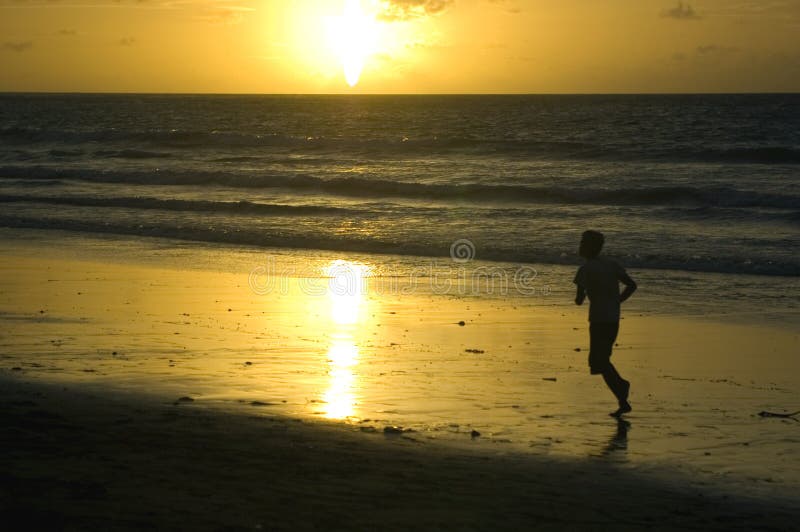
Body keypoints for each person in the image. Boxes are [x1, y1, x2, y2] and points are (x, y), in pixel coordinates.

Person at [574, 230, 637, 417]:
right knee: (601, 360)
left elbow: (578, 300)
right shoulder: (611, 264)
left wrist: (582, 295)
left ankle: (622, 387)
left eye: (582, 243)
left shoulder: (585, 270)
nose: (580, 246)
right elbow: (632, 285)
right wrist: (618, 301)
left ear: (589, 247)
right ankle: (623, 401)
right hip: (613, 319)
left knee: (598, 361)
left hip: (598, 319)